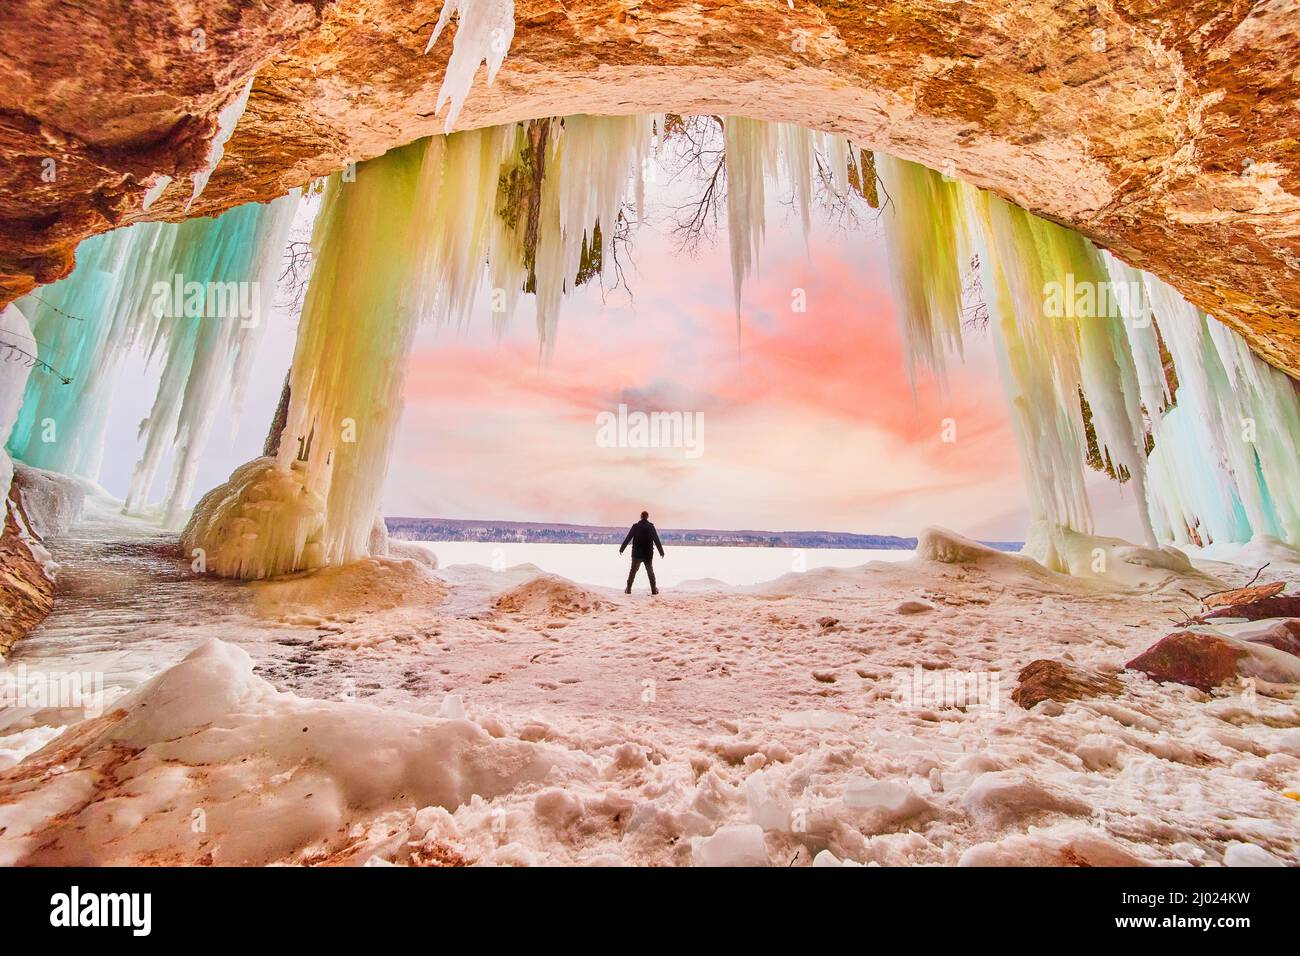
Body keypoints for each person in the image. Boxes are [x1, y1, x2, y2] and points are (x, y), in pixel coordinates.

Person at [619, 510, 664, 594]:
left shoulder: (635, 526)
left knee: (633, 571)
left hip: (636, 554)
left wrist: (622, 549)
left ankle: (628, 589)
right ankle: (654, 590)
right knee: (650, 572)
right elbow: (656, 539)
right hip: (648, 554)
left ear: (641, 516)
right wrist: (661, 552)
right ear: (647, 517)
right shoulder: (651, 527)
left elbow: (628, 538)